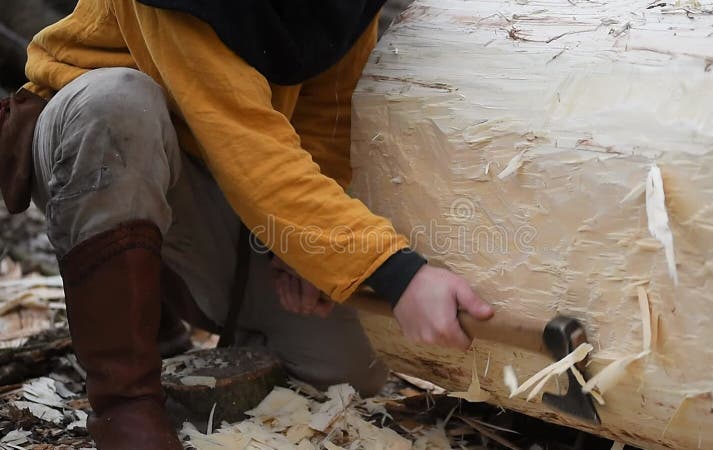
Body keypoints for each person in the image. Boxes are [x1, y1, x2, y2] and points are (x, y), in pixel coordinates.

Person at [0, 1, 494, 448]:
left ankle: (165, 294)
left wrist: (304, 251)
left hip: (229, 169)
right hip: (105, 143)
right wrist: (394, 272)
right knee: (118, 102)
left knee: (342, 367)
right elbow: (241, 138)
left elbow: (325, 115)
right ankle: (125, 404)